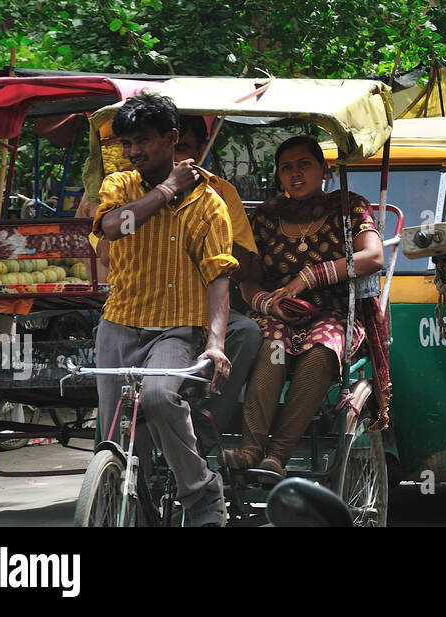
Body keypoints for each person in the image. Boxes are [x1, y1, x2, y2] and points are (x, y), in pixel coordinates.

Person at [92, 93, 236, 527]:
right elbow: (115, 227)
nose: (134, 152)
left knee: (157, 397)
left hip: (175, 329)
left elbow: (218, 276)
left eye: (143, 141)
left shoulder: (209, 204)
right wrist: (168, 188)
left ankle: (202, 493)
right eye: (128, 144)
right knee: (113, 430)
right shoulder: (119, 185)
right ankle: (125, 506)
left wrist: (215, 344)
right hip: (118, 323)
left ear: (172, 139)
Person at [225, 136, 386, 478]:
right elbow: (246, 277)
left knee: (319, 353)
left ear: (324, 169)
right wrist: (267, 302)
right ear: (279, 176)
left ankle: (278, 456)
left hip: (337, 311)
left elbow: (373, 257)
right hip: (278, 313)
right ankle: (252, 449)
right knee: (271, 351)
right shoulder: (266, 216)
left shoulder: (350, 206)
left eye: (304, 165)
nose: (295, 174)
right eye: (286, 168)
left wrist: (309, 277)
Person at [174, 116, 265, 453]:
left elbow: (246, 265)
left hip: (207, 306)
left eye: (182, 148)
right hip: (152, 307)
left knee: (247, 334)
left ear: (200, 150)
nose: (174, 159)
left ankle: (207, 427)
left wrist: (216, 227)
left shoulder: (220, 194)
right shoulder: (134, 191)